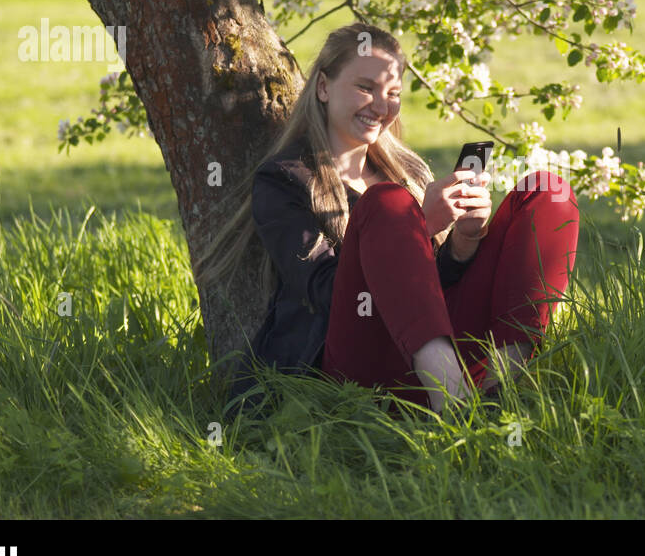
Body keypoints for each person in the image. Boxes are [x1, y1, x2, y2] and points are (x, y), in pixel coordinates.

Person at [196, 22, 579, 414]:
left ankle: (500, 387)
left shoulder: (407, 171)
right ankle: (457, 405)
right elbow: (325, 291)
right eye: (366, 87)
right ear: (324, 87)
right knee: (388, 203)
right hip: (358, 364)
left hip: (432, 355)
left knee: (549, 192)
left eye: (393, 93)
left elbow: (427, 289)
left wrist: (463, 240)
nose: (382, 105)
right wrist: (421, 224)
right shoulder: (284, 179)